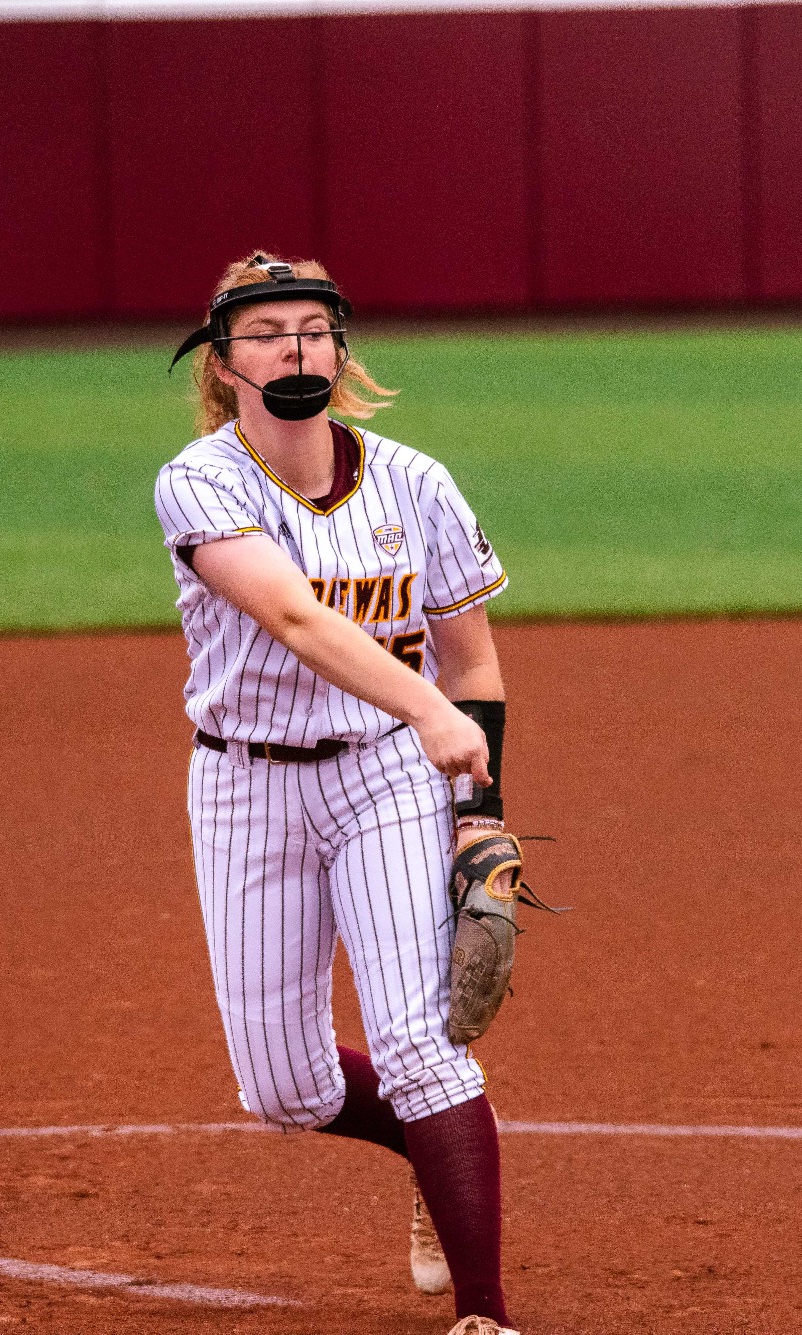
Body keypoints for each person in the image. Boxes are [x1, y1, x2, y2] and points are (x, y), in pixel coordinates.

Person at [154, 254, 520, 1335]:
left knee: (419, 1039)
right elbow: (294, 619)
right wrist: (427, 708)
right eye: (267, 332)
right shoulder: (201, 480)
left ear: (341, 351)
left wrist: (476, 809)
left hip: (384, 776)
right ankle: (423, 1142)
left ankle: (485, 1312)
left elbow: (474, 665)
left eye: (314, 329)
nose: (295, 349)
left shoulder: (417, 483)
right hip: (242, 782)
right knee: (283, 1089)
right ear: (223, 363)